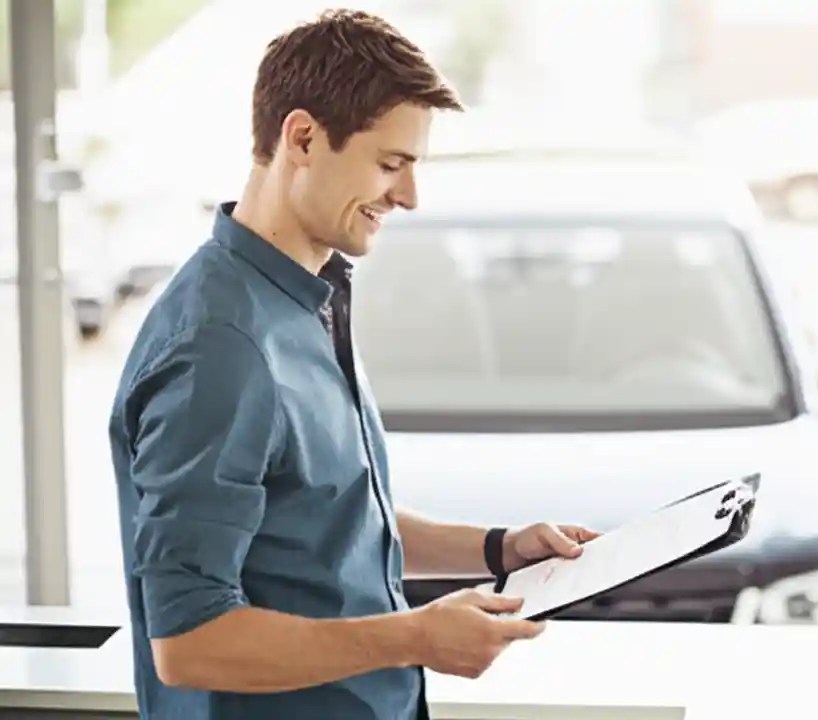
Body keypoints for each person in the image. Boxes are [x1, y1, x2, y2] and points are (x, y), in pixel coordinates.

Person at [107, 10, 598, 720]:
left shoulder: (298, 299)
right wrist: (415, 638)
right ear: (302, 137)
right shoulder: (220, 346)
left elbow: (322, 517)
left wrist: (498, 549)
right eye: (390, 164)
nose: (409, 196)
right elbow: (189, 642)